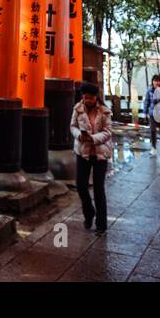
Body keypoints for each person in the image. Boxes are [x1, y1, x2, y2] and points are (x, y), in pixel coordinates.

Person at [70, 81, 113, 233]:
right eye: (85, 97)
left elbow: (108, 132)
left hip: (100, 153)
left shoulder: (104, 111)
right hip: (83, 152)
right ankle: (89, 213)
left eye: (90, 98)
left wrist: (93, 138)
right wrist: (79, 135)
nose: (87, 100)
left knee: (98, 189)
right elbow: (73, 126)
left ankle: (101, 225)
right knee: (81, 186)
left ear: (96, 97)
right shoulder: (78, 108)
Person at [144, 74, 160, 155]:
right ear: (152, 82)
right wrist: (145, 113)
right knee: (153, 131)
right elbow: (146, 102)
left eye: (158, 81)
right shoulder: (149, 91)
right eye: (155, 81)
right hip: (152, 114)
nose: (157, 82)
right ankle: (153, 148)